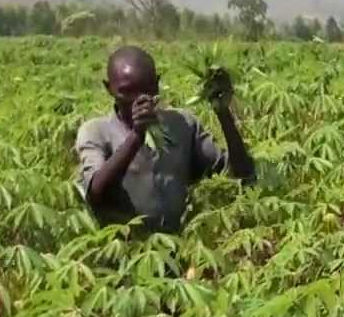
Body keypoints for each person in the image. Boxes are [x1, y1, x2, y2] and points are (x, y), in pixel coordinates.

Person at [74, 45, 255, 234]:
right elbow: (95, 192)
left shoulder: (183, 124)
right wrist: (136, 137)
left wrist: (223, 113)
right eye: (126, 92)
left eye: (147, 90)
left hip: (179, 251)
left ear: (157, 83)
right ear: (108, 88)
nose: (139, 100)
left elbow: (240, 173)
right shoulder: (96, 131)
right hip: (124, 252)